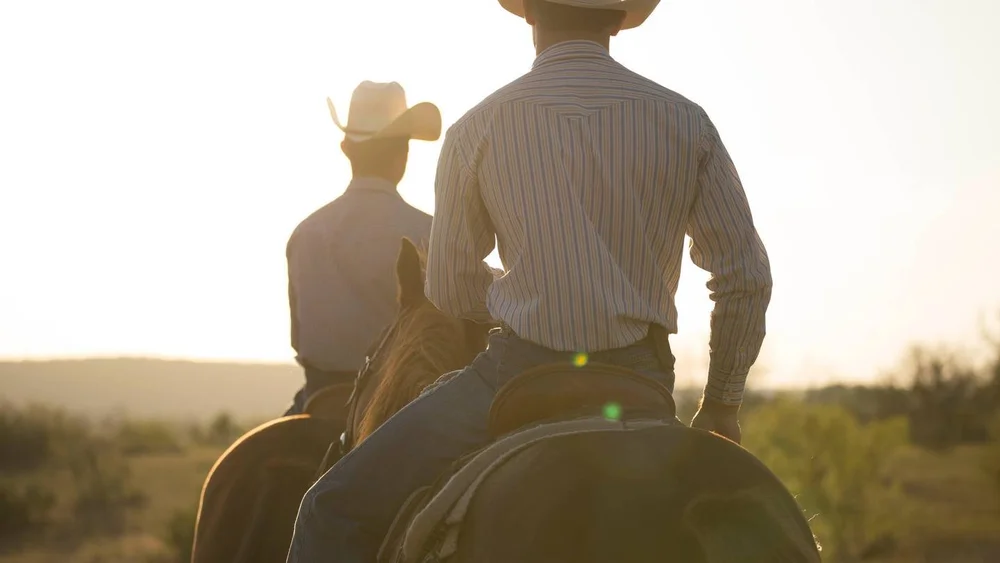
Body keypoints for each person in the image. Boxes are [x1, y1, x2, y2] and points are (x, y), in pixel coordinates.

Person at [286, 0, 772, 560]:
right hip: (643, 378)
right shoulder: (688, 122)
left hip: (516, 375)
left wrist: (517, 298)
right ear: (618, 18)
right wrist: (721, 404)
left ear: (528, 16)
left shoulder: (477, 127)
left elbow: (448, 288)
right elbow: (745, 278)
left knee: (332, 507)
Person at [283, 81, 441, 415]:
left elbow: (299, 340)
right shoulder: (428, 232)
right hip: (401, 403)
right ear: (404, 153)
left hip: (320, 399)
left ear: (347, 149)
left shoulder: (305, 233)